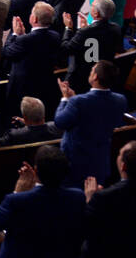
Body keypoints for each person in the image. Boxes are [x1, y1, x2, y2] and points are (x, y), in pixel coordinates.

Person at [54, 59, 126, 188]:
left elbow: (60, 121)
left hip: (75, 164)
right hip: (100, 162)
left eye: (92, 70)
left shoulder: (78, 102)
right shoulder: (120, 100)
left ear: (95, 77)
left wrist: (65, 98)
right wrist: (73, 100)